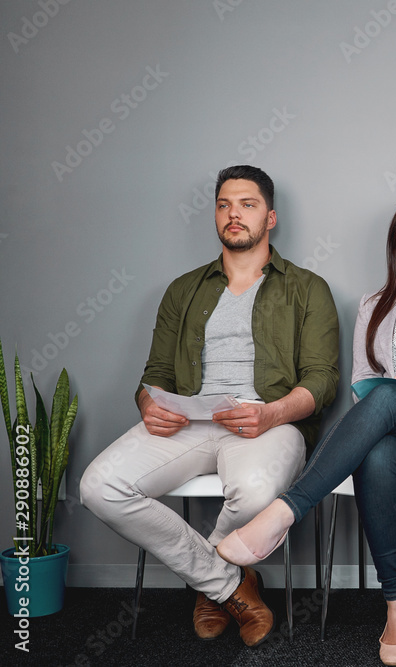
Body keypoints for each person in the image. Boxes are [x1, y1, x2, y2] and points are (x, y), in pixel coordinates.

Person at [217, 190, 396, 666]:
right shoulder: (373, 304)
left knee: (391, 395)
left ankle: (285, 511)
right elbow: (360, 384)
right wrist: (387, 396)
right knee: (376, 450)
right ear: (395, 239)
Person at [81, 165, 340, 647]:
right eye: (224, 205)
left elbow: (322, 381)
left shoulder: (308, 288)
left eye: (247, 204)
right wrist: (146, 402)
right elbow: (155, 373)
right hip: (189, 418)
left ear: (272, 217)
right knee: (99, 486)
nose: (233, 214)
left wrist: (272, 413)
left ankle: (210, 584)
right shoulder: (184, 290)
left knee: (258, 493)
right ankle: (226, 584)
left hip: (267, 421)